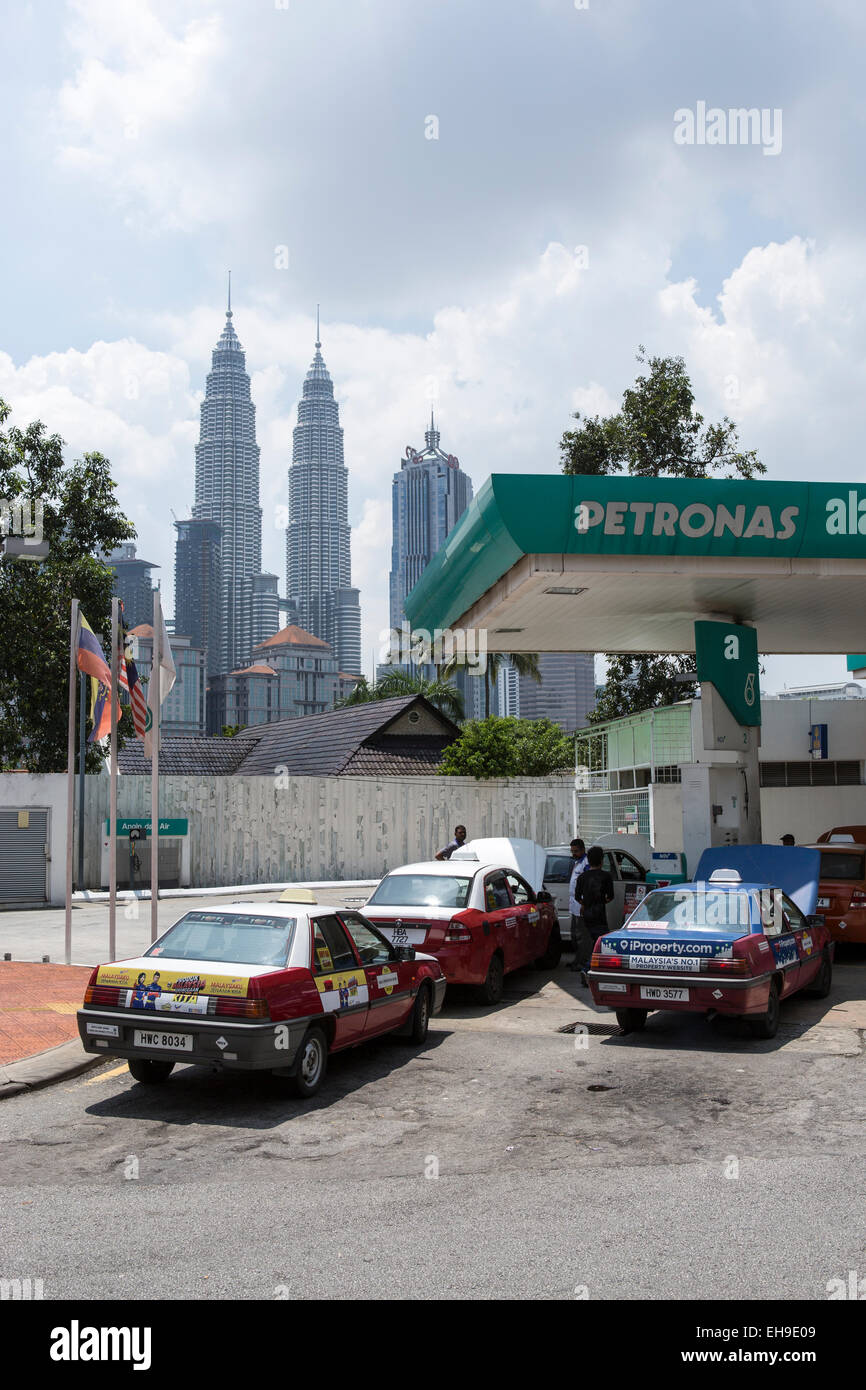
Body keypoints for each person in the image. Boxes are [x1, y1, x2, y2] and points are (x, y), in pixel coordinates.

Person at [574, 846, 615, 983]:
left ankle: (591, 969)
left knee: (593, 942)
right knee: (602, 943)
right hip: (599, 914)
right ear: (602, 860)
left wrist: (584, 904)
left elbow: (576, 896)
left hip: (586, 914)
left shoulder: (582, 877)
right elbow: (610, 897)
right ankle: (587, 969)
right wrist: (601, 901)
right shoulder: (606, 876)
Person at [566, 838, 590, 971]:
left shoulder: (586, 863)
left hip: (581, 905)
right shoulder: (577, 862)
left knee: (582, 936)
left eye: (575, 851)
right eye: (572, 851)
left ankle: (582, 963)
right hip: (574, 905)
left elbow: (586, 885)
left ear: (582, 850)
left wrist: (583, 902)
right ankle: (577, 960)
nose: (573, 854)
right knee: (574, 936)